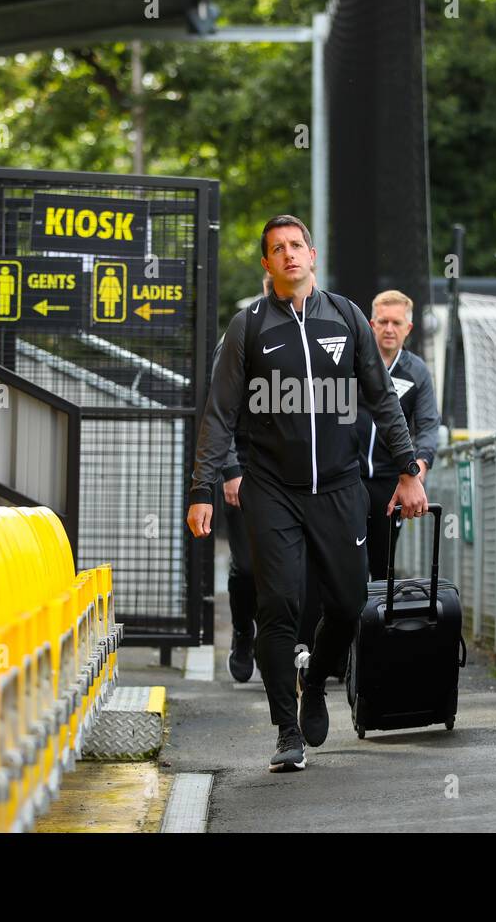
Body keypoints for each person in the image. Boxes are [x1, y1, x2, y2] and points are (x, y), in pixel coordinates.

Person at [187, 215, 428, 773]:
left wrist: (409, 468)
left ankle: (314, 679)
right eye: (278, 248)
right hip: (272, 488)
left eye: (297, 245)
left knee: (347, 605)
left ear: (312, 255)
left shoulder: (345, 317)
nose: (289, 254)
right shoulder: (248, 327)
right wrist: (205, 486)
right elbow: (219, 413)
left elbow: (381, 400)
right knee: (280, 607)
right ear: (267, 263)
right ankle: (286, 732)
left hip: (341, 488)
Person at [353, 290, 442, 580]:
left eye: (396, 323)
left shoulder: (417, 372)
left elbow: (428, 426)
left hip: (392, 483)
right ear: (371, 324)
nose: (389, 329)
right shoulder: (351, 366)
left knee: (381, 567)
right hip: (348, 480)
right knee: (347, 563)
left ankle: (374, 625)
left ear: (408, 328)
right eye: (383, 322)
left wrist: (417, 472)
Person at [218, 272, 274, 683]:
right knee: (249, 566)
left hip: (294, 476)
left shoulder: (319, 323)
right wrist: (230, 470)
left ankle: (282, 648)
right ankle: (242, 632)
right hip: (246, 470)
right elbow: (219, 410)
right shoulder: (244, 326)